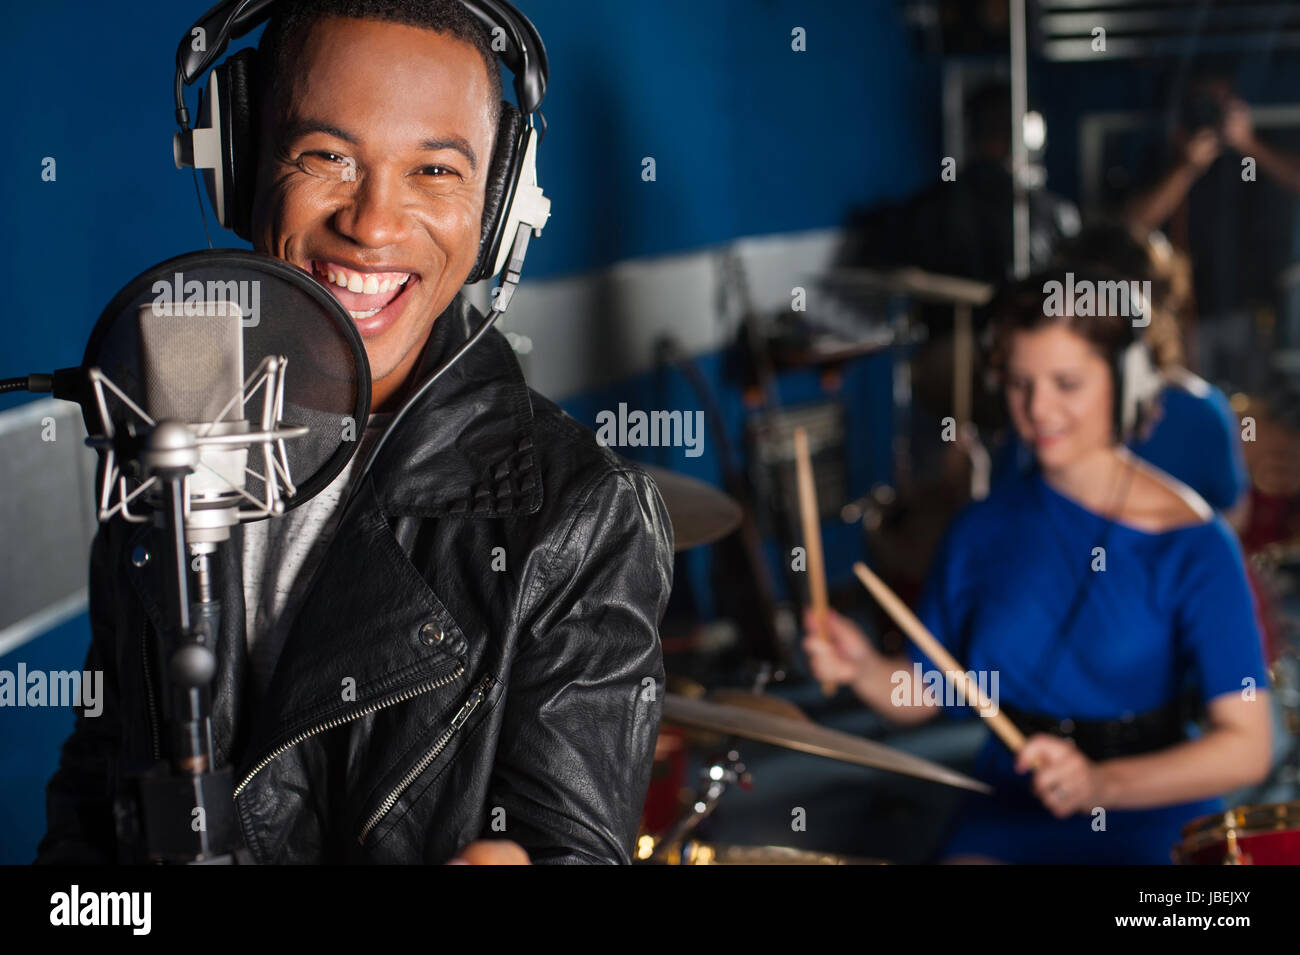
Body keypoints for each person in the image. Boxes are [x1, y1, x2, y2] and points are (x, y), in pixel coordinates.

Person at [37, 0, 673, 865]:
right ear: (240, 162)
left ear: (500, 210)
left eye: (435, 172)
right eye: (327, 156)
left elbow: (567, 845)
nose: (372, 224)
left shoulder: (581, 513)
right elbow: (97, 779)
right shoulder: (171, 412)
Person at [804, 270, 1272, 864]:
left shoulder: (1194, 543)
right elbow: (923, 690)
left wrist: (1102, 786)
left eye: (1066, 383)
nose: (1038, 408)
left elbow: (1247, 748)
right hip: (1012, 796)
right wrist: (862, 666)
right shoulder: (980, 527)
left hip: (1149, 803)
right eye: (1020, 383)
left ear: (1125, 384)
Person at [992, 222, 1249, 520]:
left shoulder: (1203, 413)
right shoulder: (1208, 410)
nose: (1038, 408)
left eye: (1068, 382)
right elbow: (1236, 516)